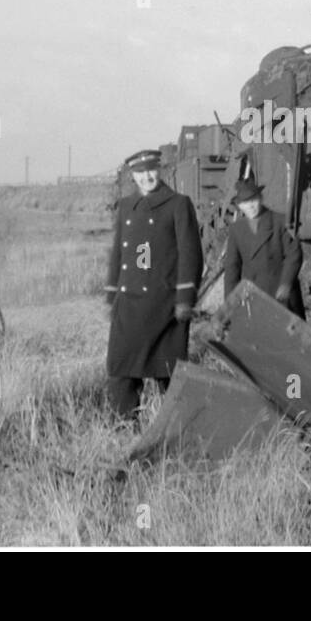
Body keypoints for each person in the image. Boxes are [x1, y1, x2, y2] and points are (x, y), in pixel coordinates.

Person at [102, 148, 203, 420]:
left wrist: (185, 299)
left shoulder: (178, 204)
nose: (146, 177)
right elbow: (118, 254)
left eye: (151, 170)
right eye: (140, 172)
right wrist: (112, 295)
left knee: (168, 371)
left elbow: (190, 254)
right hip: (129, 303)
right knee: (121, 368)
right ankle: (124, 428)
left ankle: (178, 427)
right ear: (132, 176)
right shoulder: (125, 206)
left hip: (164, 303)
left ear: (160, 170)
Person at [222, 179, 305, 318]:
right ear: (239, 206)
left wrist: (285, 284)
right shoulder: (236, 230)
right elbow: (232, 268)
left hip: (282, 297)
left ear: (260, 198)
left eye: (253, 200)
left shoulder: (280, 221)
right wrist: (230, 303)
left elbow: (294, 255)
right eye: (245, 203)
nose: (251, 206)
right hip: (253, 297)